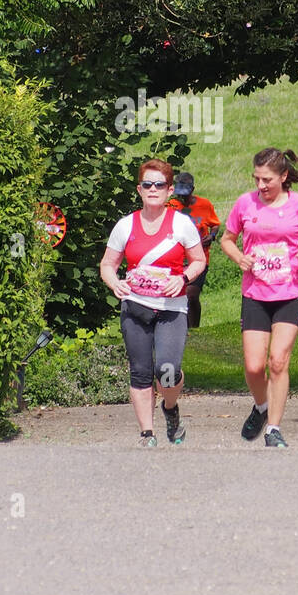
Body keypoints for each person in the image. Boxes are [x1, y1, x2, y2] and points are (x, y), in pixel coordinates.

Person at [219, 148, 298, 449]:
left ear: (284, 177)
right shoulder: (245, 203)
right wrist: (239, 258)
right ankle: (261, 407)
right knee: (254, 367)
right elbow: (227, 239)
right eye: (256, 178)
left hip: (290, 292)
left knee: (278, 361)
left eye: (267, 179)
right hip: (256, 293)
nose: (261, 185)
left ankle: (273, 428)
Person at [100, 159, 206, 447]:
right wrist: (115, 283)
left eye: (159, 184)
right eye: (147, 184)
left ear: (170, 190)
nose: (153, 189)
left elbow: (199, 260)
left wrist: (183, 278)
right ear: (139, 189)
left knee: (168, 370)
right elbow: (108, 265)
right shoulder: (125, 225)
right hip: (135, 307)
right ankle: (147, 433)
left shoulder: (182, 224)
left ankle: (170, 409)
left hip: (171, 309)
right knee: (141, 371)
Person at [166, 171, 220, 328]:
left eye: (185, 193)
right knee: (177, 294)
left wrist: (212, 236)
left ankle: (194, 328)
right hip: (176, 258)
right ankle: (179, 327)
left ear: (193, 189)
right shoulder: (170, 206)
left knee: (192, 295)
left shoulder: (204, 204)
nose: (182, 197)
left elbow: (215, 224)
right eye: (179, 193)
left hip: (199, 258)